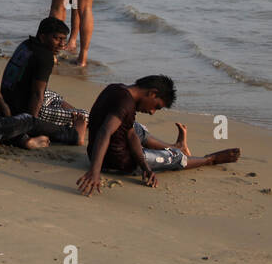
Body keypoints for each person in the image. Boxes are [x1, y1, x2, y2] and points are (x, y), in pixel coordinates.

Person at [78, 76, 239, 196]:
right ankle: (209, 159)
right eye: (156, 106)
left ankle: (177, 146)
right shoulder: (126, 104)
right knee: (175, 157)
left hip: (98, 152)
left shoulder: (116, 89)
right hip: (117, 161)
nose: (152, 112)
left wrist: (146, 168)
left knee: (136, 128)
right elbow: (105, 131)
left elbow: (130, 133)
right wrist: (94, 171)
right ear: (152, 93)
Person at [0, 17, 87, 144]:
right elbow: (36, 94)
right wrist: (30, 124)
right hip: (24, 110)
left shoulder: (26, 44)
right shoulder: (45, 57)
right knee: (85, 115)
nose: (62, 44)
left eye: (63, 39)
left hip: (10, 100)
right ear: (43, 37)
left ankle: (71, 114)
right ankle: (74, 123)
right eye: (57, 38)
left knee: (53, 95)